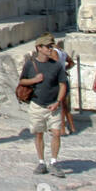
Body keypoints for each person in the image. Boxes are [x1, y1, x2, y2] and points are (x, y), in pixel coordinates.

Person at [19, 34, 67, 177]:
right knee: (39, 134)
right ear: (39, 48)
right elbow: (22, 82)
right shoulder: (30, 64)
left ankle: (54, 162)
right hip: (37, 104)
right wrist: (34, 79)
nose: (50, 49)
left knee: (56, 133)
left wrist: (58, 101)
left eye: (51, 46)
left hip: (53, 105)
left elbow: (62, 84)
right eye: (47, 47)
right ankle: (41, 162)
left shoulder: (57, 65)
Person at [53, 40, 76, 135]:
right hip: (65, 78)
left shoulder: (53, 52)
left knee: (61, 106)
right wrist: (65, 69)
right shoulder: (62, 51)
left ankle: (62, 129)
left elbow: (55, 66)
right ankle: (72, 127)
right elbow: (72, 63)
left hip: (58, 80)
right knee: (66, 106)